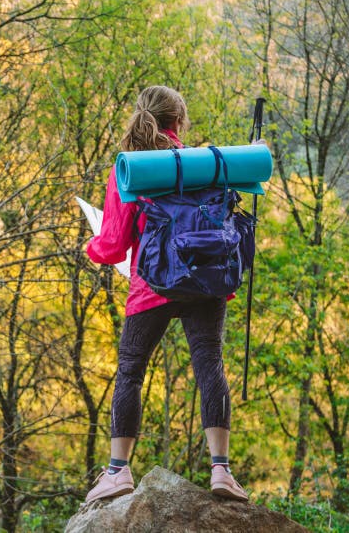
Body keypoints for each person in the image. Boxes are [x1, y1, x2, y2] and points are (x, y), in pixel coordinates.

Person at [84, 85, 249, 503]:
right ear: (180, 121)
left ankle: (118, 472)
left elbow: (113, 245)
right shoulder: (206, 166)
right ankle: (222, 471)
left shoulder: (133, 170)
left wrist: (90, 248)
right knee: (209, 363)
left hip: (151, 285)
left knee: (131, 372)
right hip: (205, 282)